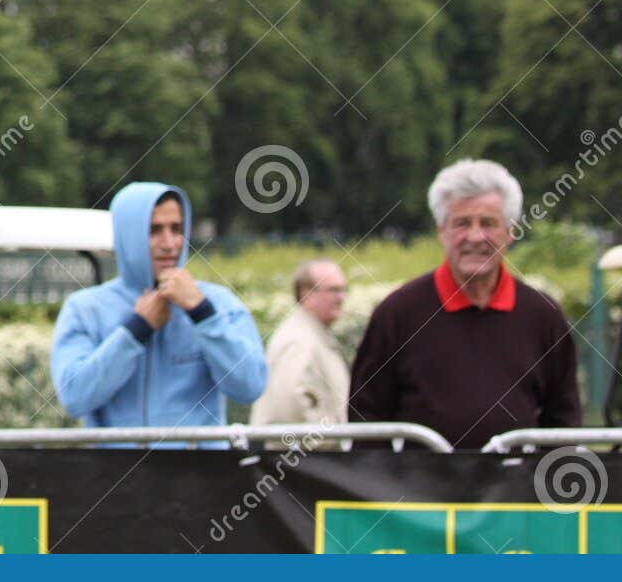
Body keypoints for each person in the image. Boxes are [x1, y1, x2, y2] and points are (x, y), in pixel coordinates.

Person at [349, 159, 580, 449]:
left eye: (488, 223)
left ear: (510, 232)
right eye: (462, 223)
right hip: (422, 479)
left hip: (516, 478)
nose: (475, 237)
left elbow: (563, 421)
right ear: (441, 231)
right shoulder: (397, 313)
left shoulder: (543, 315)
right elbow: (366, 421)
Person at [51, 183, 266, 446]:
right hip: (116, 469)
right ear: (127, 235)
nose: (169, 243)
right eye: (154, 230)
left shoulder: (218, 302)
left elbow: (250, 387)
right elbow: (74, 398)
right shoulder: (85, 308)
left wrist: (202, 313)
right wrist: (135, 330)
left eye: (177, 229)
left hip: (201, 470)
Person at [250, 260, 349, 429]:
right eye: (333, 290)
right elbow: (288, 407)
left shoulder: (313, 334)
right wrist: (323, 438)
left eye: (344, 289)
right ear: (306, 294)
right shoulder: (299, 340)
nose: (341, 298)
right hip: (300, 446)